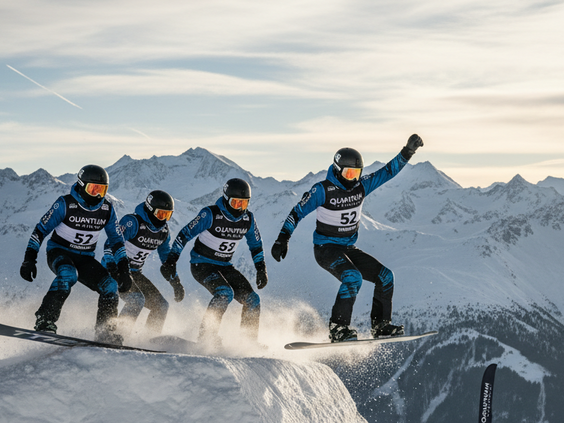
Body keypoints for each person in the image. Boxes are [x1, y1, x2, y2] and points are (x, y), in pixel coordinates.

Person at [270, 133, 423, 342]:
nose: (353, 179)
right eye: (348, 173)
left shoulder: (361, 186)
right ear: (337, 169)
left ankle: (380, 325)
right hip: (325, 249)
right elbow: (297, 212)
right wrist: (282, 238)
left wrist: (408, 151)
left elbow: (387, 172)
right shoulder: (322, 190)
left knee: (386, 276)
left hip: (348, 248)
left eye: (357, 173)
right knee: (353, 277)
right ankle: (338, 328)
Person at [19, 164, 132, 344]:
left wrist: (124, 270)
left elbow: (117, 241)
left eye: (102, 190)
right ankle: (45, 320)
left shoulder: (107, 210)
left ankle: (105, 333)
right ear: (81, 185)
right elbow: (40, 230)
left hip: (85, 258)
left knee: (110, 286)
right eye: (93, 189)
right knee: (68, 274)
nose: (98, 195)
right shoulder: (65, 204)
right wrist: (29, 259)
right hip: (59, 252)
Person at [161, 178, 267, 347]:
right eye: (236, 203)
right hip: (201, 264)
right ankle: (206, 337)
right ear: (226, 199)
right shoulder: (210, 214)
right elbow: (184, 234)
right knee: (225, 293)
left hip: (224, 265)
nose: (239, 208)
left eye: (244, 203)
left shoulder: (248, 219)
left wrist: (261, 268)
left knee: (253, 300)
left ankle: (248, 342)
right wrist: (172, 260)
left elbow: (256, 245)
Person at [106, 190, 184, 336]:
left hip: (135, 273)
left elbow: (166, 259)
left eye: (167, 215)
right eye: (160, 214)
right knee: (136, 299)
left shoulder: (163, 232)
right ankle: (117, 335)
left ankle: (150, 339)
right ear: (150, 209)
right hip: (115, 269)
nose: (163, 219)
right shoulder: (132, 223)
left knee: (161, 305)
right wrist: (113, 268)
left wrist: (175, 282)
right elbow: (111, 243)